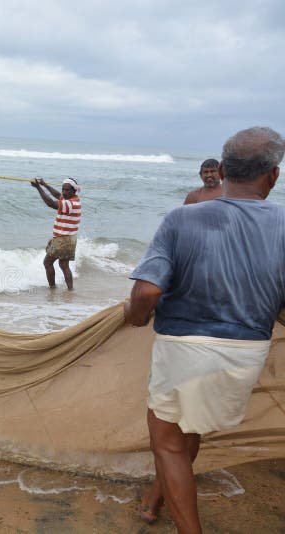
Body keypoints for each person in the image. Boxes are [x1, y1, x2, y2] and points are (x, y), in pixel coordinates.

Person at [123, 126, 285, 533]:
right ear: (273, 176)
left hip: (183, 350)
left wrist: (135, 317)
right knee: (189, 424)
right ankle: (153, 500)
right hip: (247, 353)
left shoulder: (182, 216)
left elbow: (147, 290)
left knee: (169, 443)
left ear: (223, 169)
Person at [30, 177, 82, 290]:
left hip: (63, 239)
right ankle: (70, 290)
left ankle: (52, 289)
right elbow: (58, 195)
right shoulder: (74, 200)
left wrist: (38, 188)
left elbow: (51, 203)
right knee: (64, 265)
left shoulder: (70, 204)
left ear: (74, 191)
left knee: (47, 263)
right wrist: (44, 184)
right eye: (63, 189)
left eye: (67, 190)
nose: (64, 192)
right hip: (71, 239)